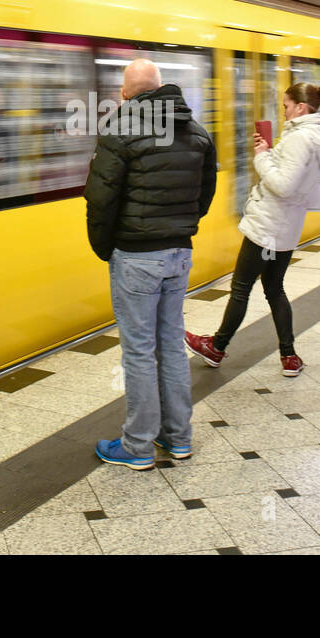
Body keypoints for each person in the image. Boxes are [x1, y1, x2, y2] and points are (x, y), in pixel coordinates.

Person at [85, 59, 218, 469]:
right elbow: (206, 191)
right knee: (172, 347)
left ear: (125, 93)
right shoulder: (197, 132)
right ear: (163, 89)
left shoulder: (119, 131)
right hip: (179, 253)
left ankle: (138, 445)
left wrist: (107, 247)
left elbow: (100, 198)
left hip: (137, 255)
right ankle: (178, 438)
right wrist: (183, 226)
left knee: (139, 352)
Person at [185, 82, 320, 377]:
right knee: (274, 288)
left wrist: (263, 155)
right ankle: (289, 356)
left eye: (286, 106)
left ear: (300, 108)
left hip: (267, 224)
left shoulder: (299, 139)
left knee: (241, 288)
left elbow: (283, 185)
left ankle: (216, 347)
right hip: (287, 226)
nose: (284, 112)